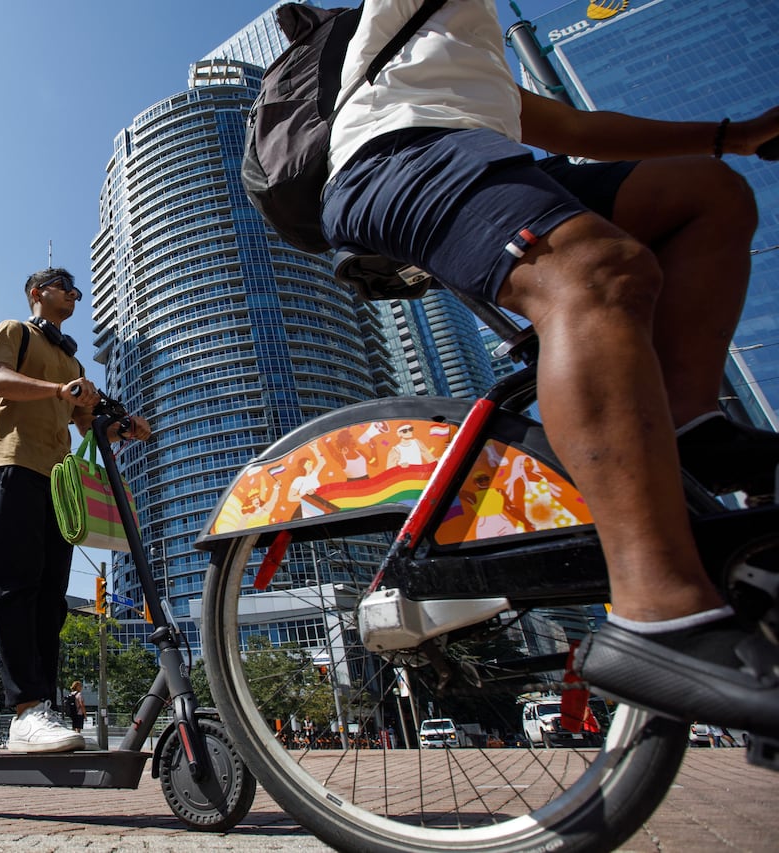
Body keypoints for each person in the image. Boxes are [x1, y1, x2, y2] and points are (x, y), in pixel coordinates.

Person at [320, 1, 779, 734]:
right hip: (395, 156)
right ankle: (656, 611)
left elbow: (577, 131)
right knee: (596, 269)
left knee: (707, 194)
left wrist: (733, 138)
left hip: (482, 151)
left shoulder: (475, 59)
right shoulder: (407, 17)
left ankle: (688, 425)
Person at [0, 267, 152, 752]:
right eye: (65, 289)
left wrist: (122, 427)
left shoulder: (74, 365)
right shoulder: (16, 331)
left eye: (77, 292)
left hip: (58, 479)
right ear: (38, 293)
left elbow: (85, 428)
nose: (74, 296)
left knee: (52, 595)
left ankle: (44, 708)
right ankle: (25, 710)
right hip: (13, 460)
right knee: (15, 583)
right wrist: (56, 391)